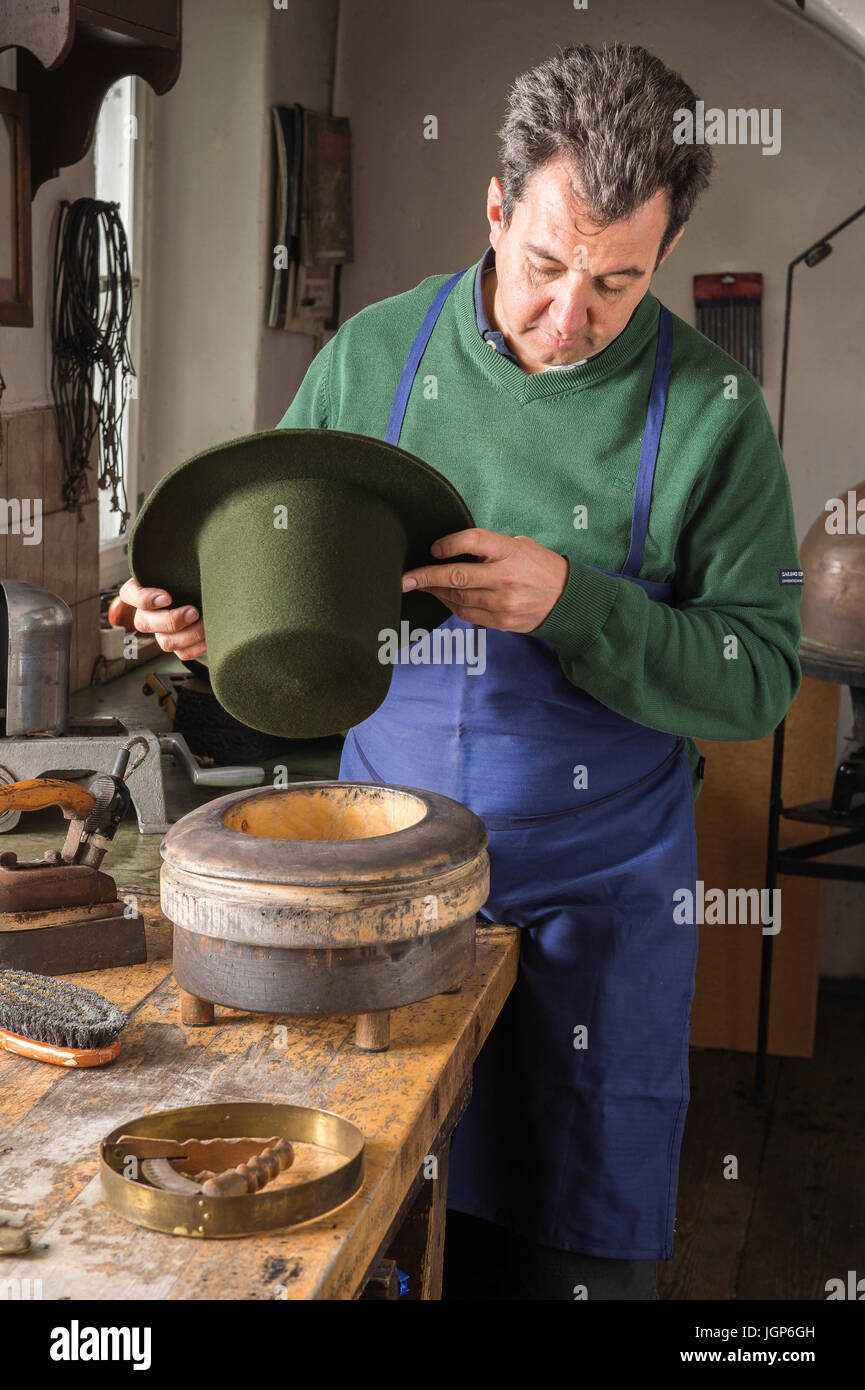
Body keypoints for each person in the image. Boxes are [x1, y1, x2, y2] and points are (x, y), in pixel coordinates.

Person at [120, 43, 801, 1300]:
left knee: (568, 1257)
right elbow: (299, 610)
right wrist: (219, 630)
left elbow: (755, 676)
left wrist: (576, 605)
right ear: (494, 209)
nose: (566, 316)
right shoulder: (376, 361)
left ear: (668, 243)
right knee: (360, 1224)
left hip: (602, 904)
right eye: (545, 265)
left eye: (616, 281)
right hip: (383, 900)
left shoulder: (710, 410)